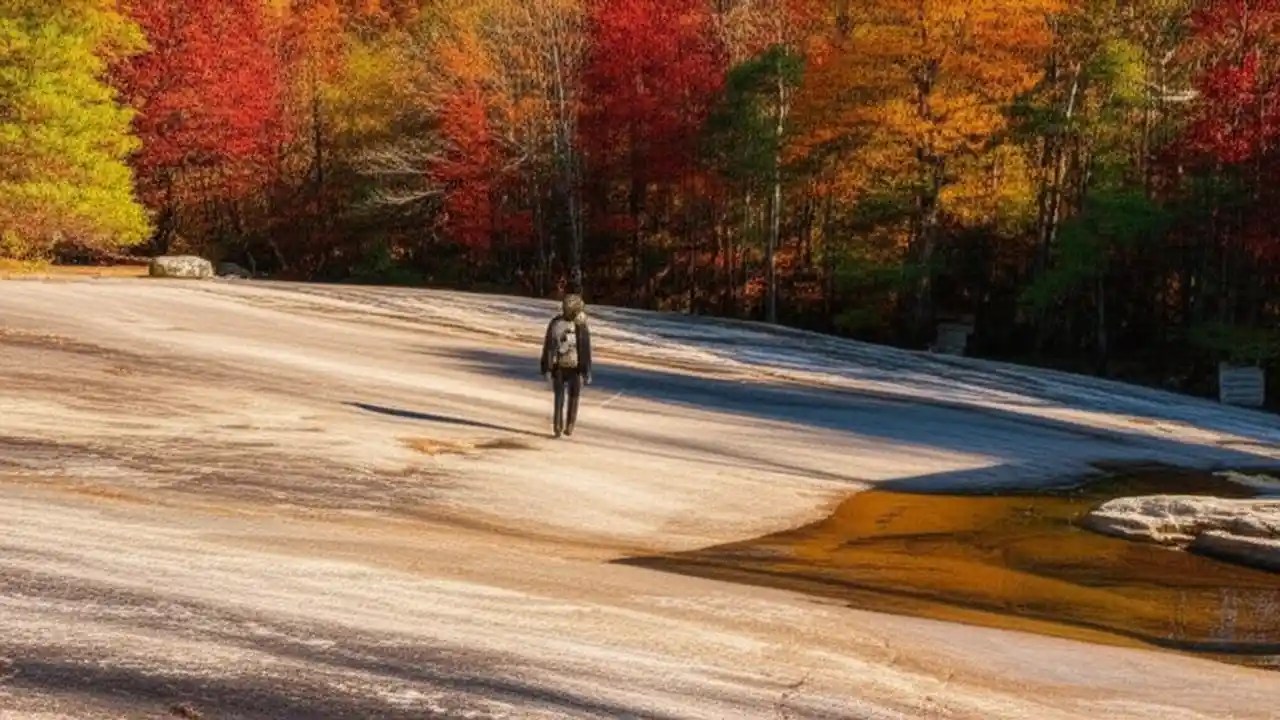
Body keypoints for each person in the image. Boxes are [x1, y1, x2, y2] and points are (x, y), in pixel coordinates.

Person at [540, 293, 592, 438]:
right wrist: (547, 367)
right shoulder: (556, 323)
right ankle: (557, 425)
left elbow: (585, 349)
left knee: (574, 396)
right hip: (559, 366)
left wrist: (586, 370)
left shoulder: (581, 325)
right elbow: (548, 346)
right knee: (559, 397)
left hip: (575, 367)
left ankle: (570, 424)